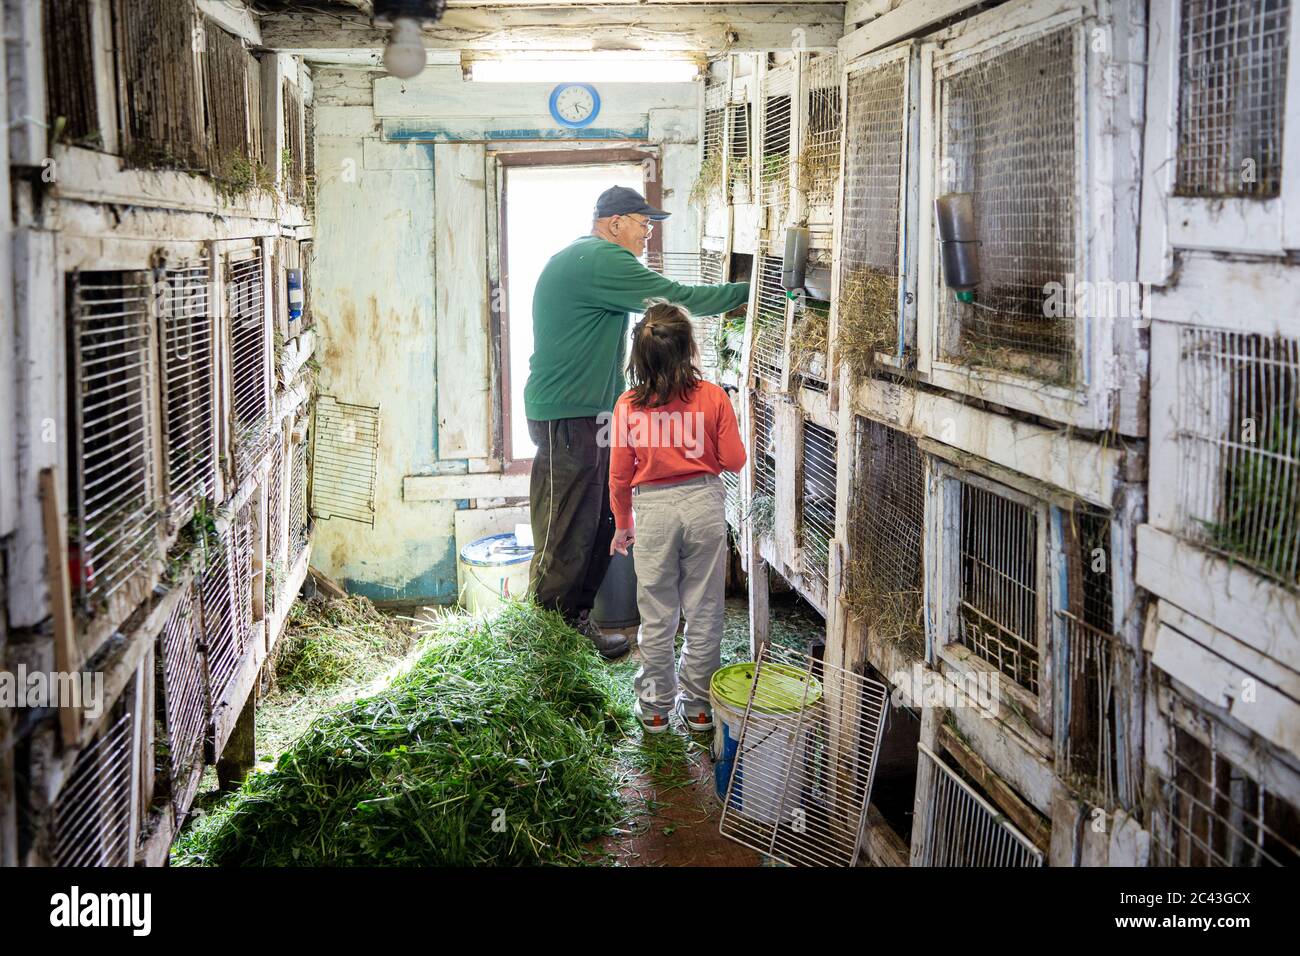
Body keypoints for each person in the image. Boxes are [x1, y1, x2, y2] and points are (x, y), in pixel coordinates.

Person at [524, 186, 749, 660]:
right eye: (643, 224)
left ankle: (574, 626)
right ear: (614, 223)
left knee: (599, 526)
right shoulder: (601, 259)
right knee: (563, 534)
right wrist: (754, 291)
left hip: (592, 414)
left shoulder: (590, 259)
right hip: (567, 415)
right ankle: (543, 653)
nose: (648, 235)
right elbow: (679, 300)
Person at [608, 302, 747, 733]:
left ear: (640, 356)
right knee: (704, 610)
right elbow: (735, 460)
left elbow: (618, 476)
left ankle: (654, 710)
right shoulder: (713, 396)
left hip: (652, 510)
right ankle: (700, 708)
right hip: (703, 505)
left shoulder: (627, 405)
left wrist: (622, 522)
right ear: (689, 348)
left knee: (656, 612)